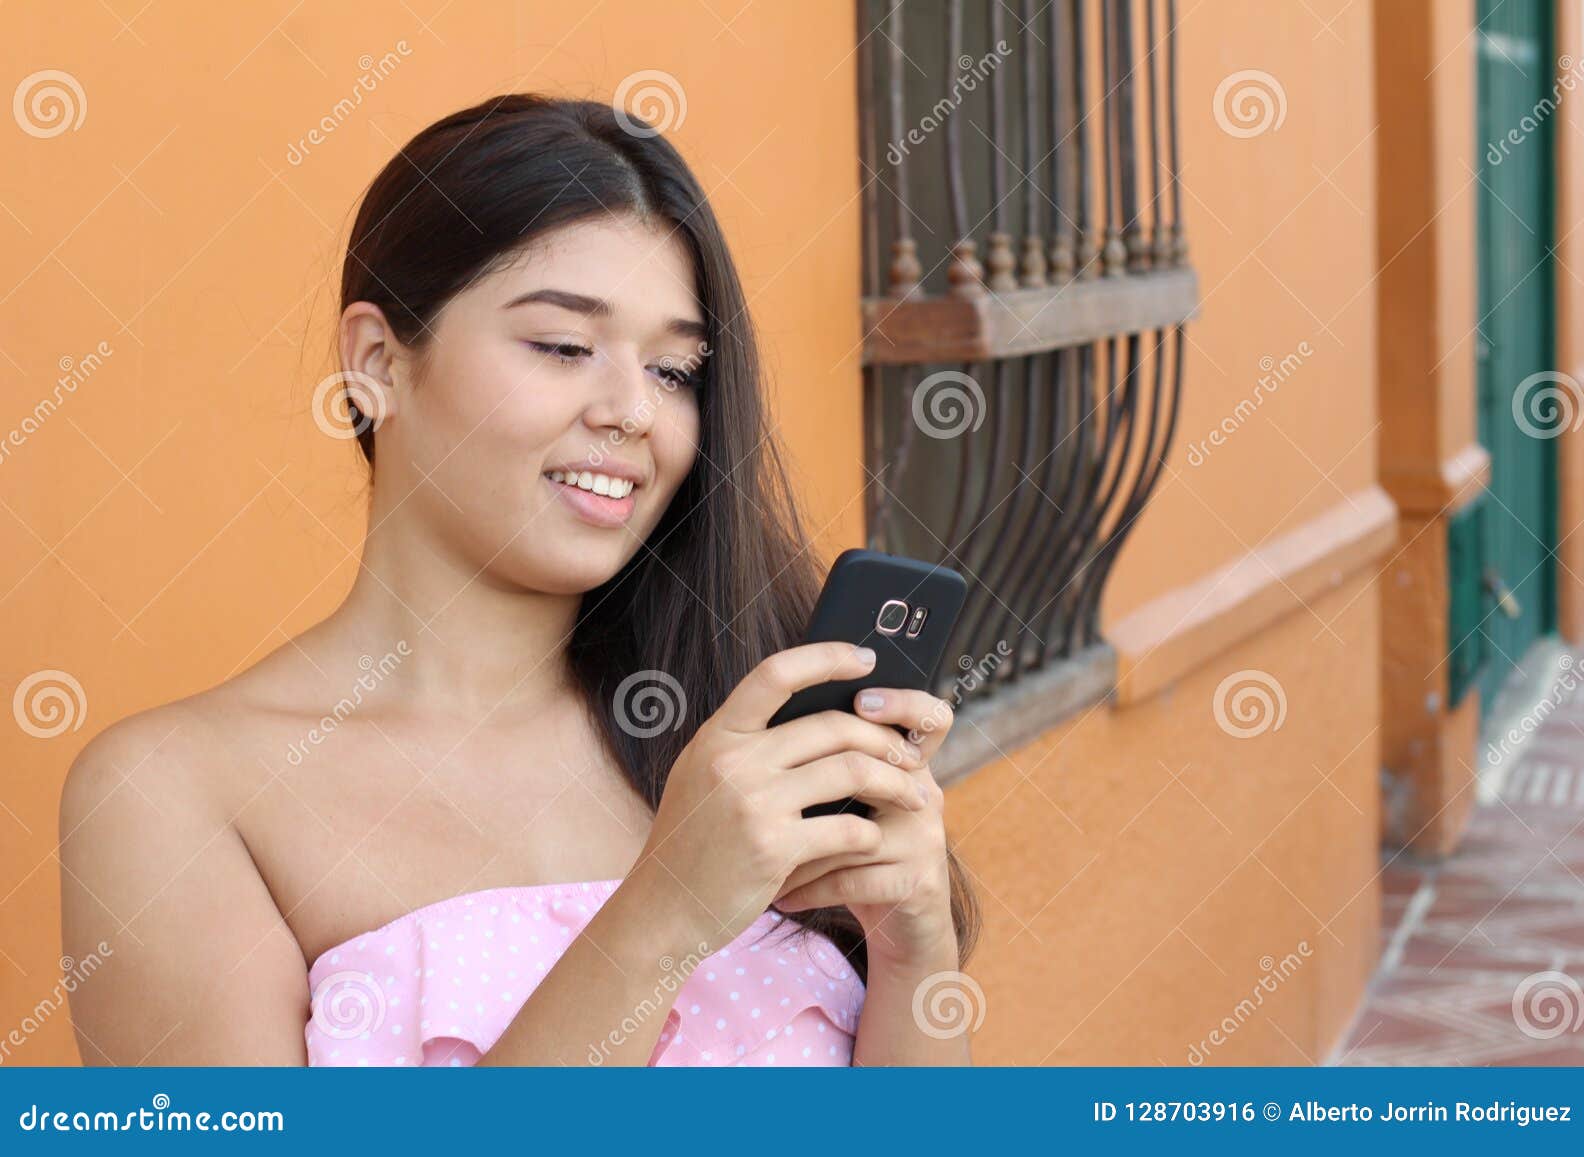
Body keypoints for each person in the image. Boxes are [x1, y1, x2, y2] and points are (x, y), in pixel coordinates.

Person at [59, 93, 978, 1067]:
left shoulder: (736, 724)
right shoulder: (171, 795)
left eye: (675, 371)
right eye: (564, 347)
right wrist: (667, 909)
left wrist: (914, 949)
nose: (632, 411)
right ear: (375, 362)